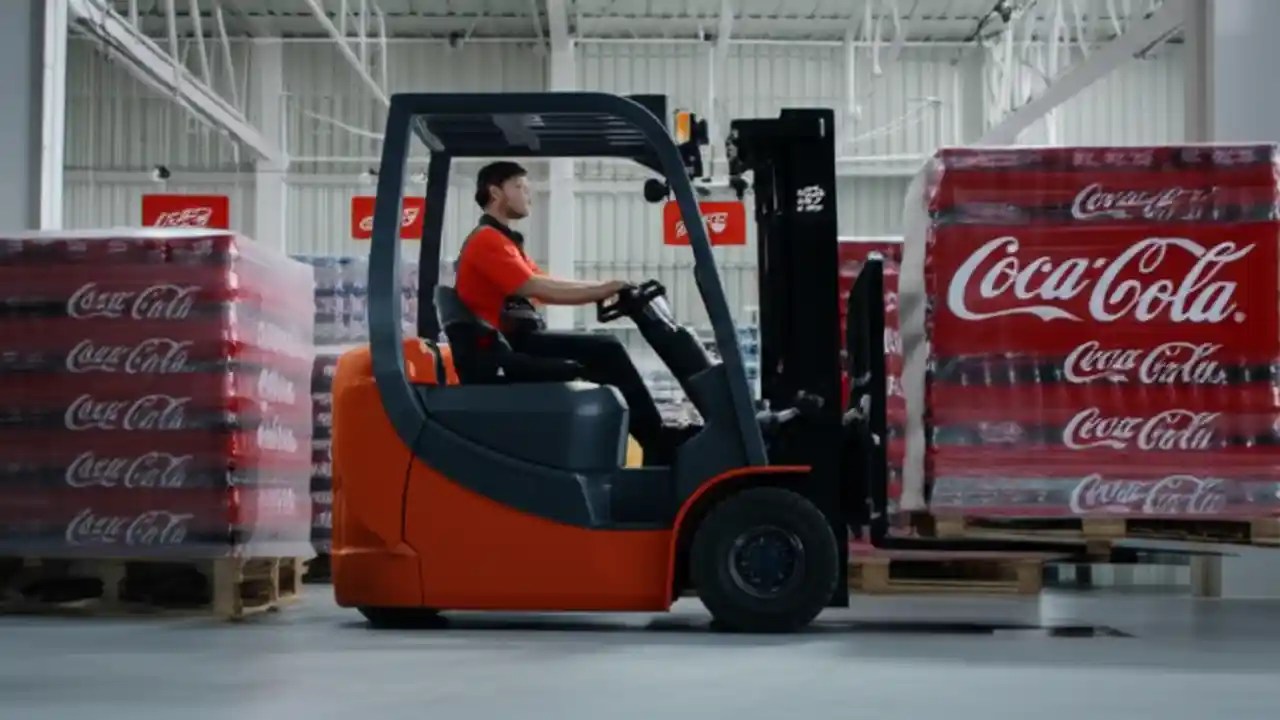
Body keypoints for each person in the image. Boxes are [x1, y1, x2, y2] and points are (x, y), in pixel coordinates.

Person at [453, 160, 669, 459]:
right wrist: (603, 289)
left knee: (603, 349)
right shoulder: (487, 241)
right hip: (504, 349)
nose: (528, 194)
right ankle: (659, 443)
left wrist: (604, 286)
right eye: (519, 187)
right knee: (606, 350)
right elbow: (537, 288)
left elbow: (545, 283)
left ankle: (654, 439)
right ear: (495, 192)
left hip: (513, 341)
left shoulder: (503, 240)